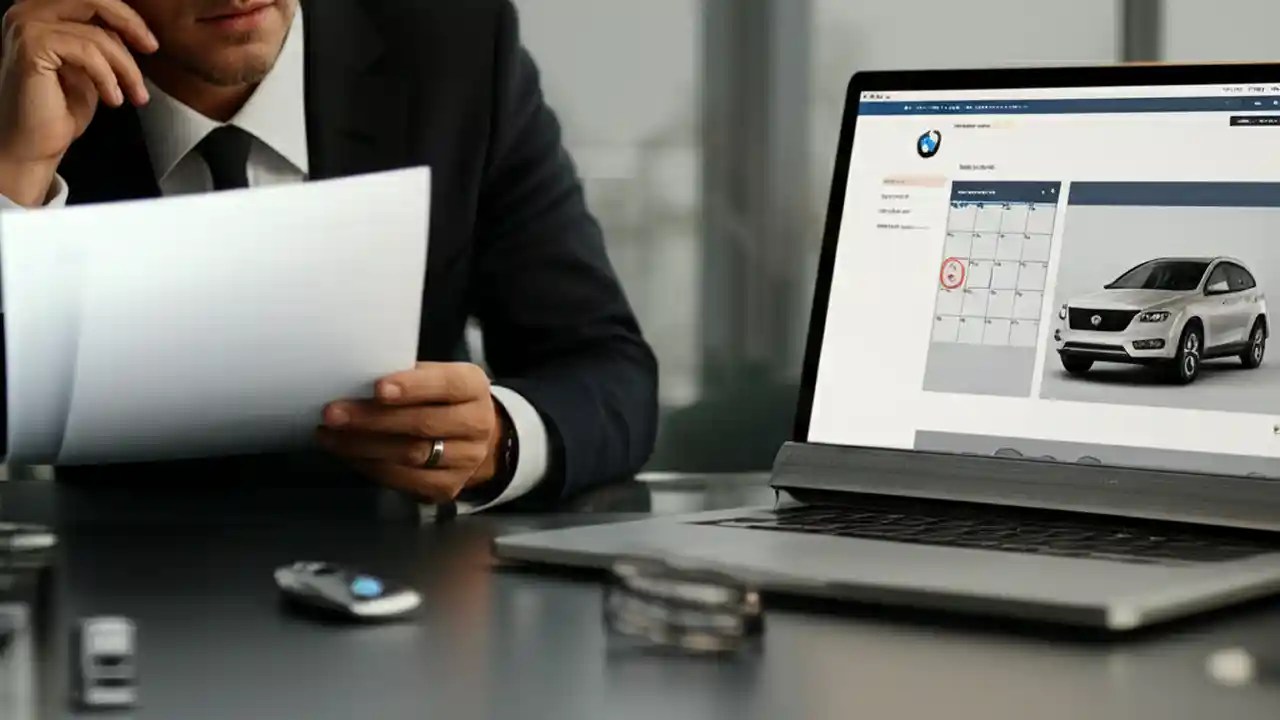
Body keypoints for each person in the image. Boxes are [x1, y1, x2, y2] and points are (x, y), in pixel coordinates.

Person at [0, 0, 658, 511]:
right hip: (103, 593)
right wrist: (14, 177)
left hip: (407, 595)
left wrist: (497, 441)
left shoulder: (451, 46)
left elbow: (608, 373)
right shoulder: (23, 74)